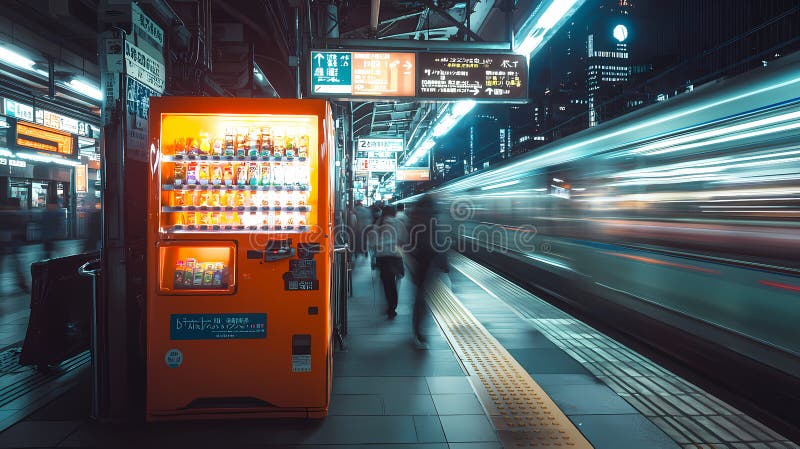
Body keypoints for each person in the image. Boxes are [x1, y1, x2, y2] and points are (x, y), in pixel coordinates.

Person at [408, 194, 447, 348]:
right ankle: (420, 329)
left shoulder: (414, 217)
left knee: (419, 297)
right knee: (425, 298)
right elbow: (441, 240)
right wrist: (444, 264)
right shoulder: (435, 218)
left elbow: (410, 241)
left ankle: (417, 329)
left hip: (418, 261)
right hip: (432, 261)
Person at [374, 205, 406, 319]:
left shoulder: (379, 222)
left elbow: (373, 240)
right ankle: (393, 305)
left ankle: (390, 306)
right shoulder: (398, 222)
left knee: (387, 283)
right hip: (396, 256)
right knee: (396, 280)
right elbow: (403, 239)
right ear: (394, 213)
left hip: (383, 256)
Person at [0, 199, 28, 293]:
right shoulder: (17, 215)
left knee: (15, 263)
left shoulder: (5, 214)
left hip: (6, 243)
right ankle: (22, 283)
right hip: (12, 243)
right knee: (17, 264)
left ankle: (22, 283)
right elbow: (21, 229)